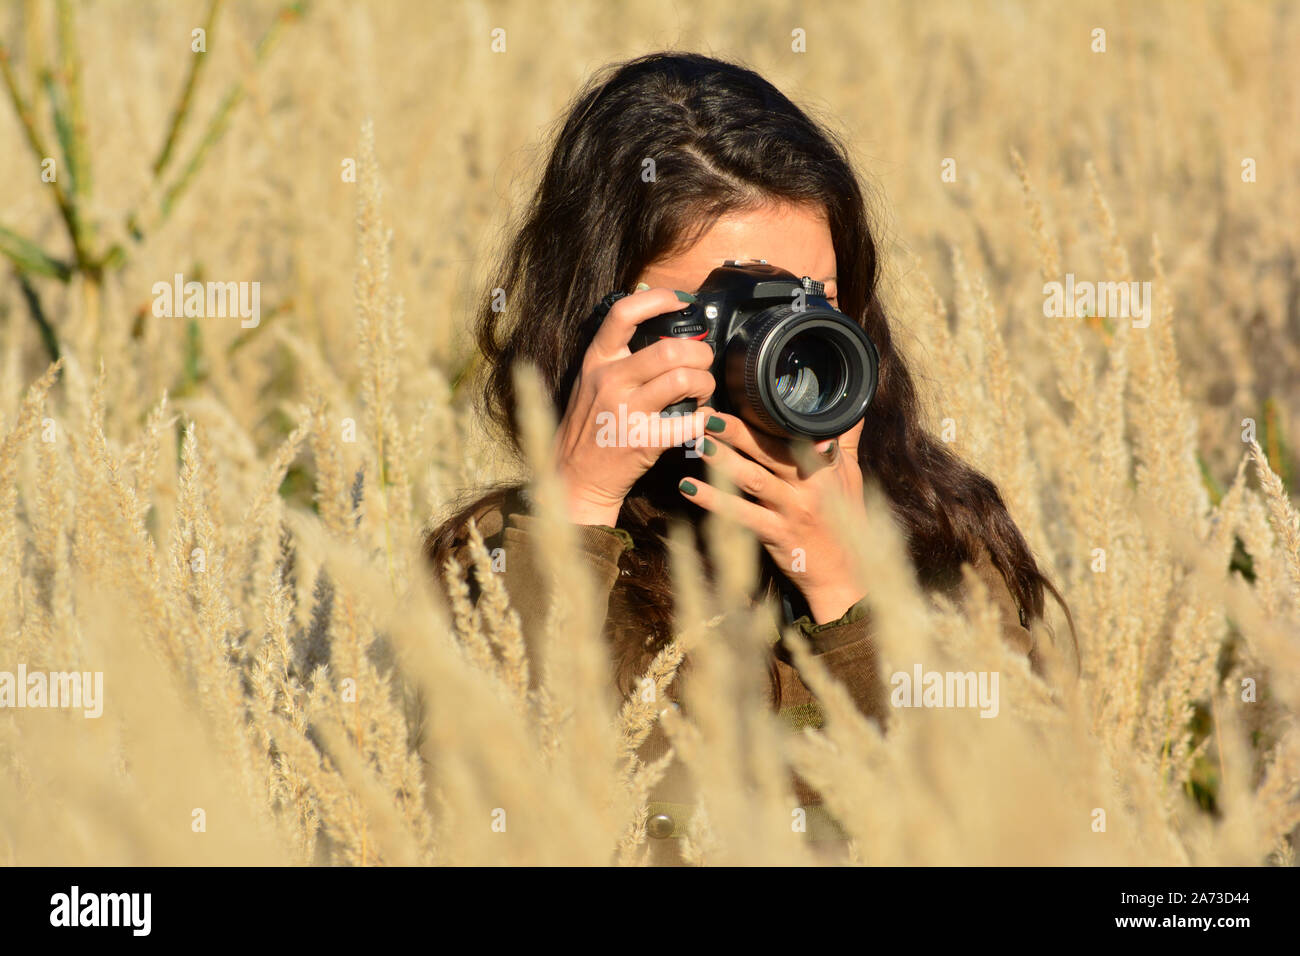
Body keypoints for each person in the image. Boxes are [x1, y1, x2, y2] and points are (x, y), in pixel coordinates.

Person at [422, 51, 1070, 864]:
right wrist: (575, 516)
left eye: (809, 303)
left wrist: (850, 586)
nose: (774, 345)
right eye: (717, 314)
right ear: (598, 319)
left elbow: (1022, 823)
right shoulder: (497, 559)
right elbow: (493, 814)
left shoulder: (942, 537)